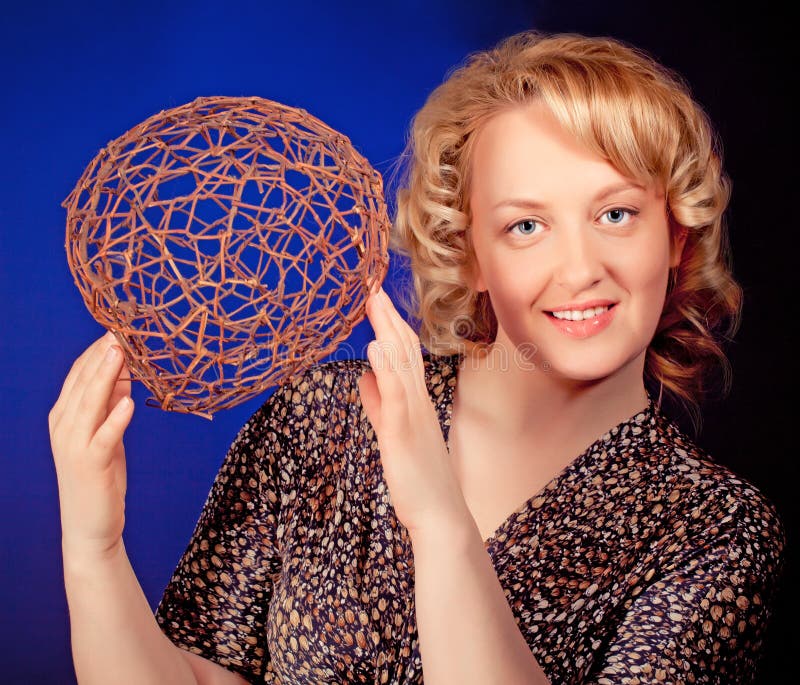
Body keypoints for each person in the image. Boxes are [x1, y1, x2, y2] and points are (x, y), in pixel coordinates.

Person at [49, 30, 786, 685]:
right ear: (469, 255)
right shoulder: (320, 419)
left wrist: (438, 521)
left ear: (677, 237)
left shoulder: (714, 532)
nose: (580, 268)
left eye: (616, 214)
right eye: (527, 224)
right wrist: (94, 549)